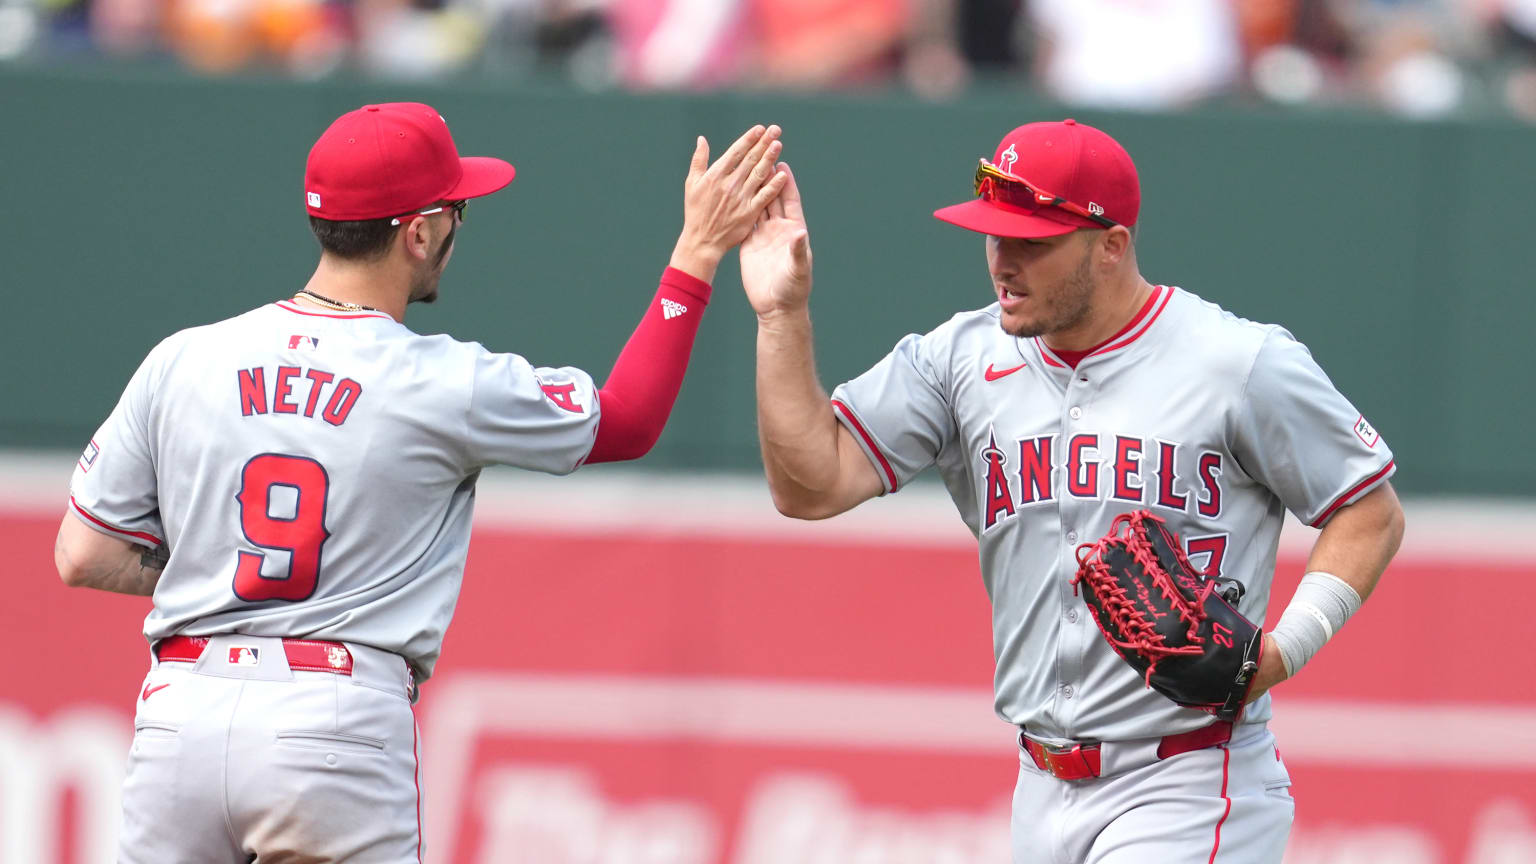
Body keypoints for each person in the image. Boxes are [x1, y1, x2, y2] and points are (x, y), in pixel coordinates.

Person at [53, 101, 786, 862]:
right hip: (332, 717)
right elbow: (627, 420)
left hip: (184, 710)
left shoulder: (185, 359)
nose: (460, 228)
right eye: (458, 209)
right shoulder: (440, 380)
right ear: (420, 230)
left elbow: (80, 553)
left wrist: (219, 571)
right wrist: (697, 250)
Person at [738, 119, 1404, 862]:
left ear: (1111, 245)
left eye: (1034, 243)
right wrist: (780, 316)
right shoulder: (959, 357)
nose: (1005, 263)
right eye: (995, 236)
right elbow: (810, 484)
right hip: (1039, 781)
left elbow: (1368, 508)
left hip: (1186, 776)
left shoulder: (1237, 362)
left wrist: (1282, 651)